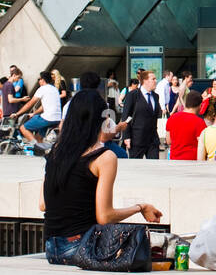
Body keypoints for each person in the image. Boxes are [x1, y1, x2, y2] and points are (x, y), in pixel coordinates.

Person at [40, 90, 162, 264]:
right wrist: (140, 207)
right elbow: (104, 217)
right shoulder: (104, 157)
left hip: (51, 248)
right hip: (82, 246)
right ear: (101, 119)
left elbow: (43, 203)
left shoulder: (55, 152)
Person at [119, 69, 161, 159]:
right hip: (137, 139)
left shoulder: (155, 96)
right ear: (145, 81)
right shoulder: (133, 95)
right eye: (153, 79)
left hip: (152, 140)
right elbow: (126, 116)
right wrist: (126, 136)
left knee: (154, 167)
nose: (155, 81)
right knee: (136, 168)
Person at [14, 71, 63, 146]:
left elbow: (29, 104)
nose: (39, 81)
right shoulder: (54, 89)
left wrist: (17, 114)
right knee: (38, 137)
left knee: (23, 128)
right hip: (57, 119)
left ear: (42, 80)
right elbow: (44, 106)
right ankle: (41, 149)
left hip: (47, 118)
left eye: (39, 79)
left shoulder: (42, 89)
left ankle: (37, 147)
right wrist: (34, 113)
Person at [166, 87, 208, 160]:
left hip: (174, 160)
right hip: (192, 161)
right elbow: (204, 144)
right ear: (200, 105)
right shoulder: (199, 122)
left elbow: (168, 141)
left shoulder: (172, 118)